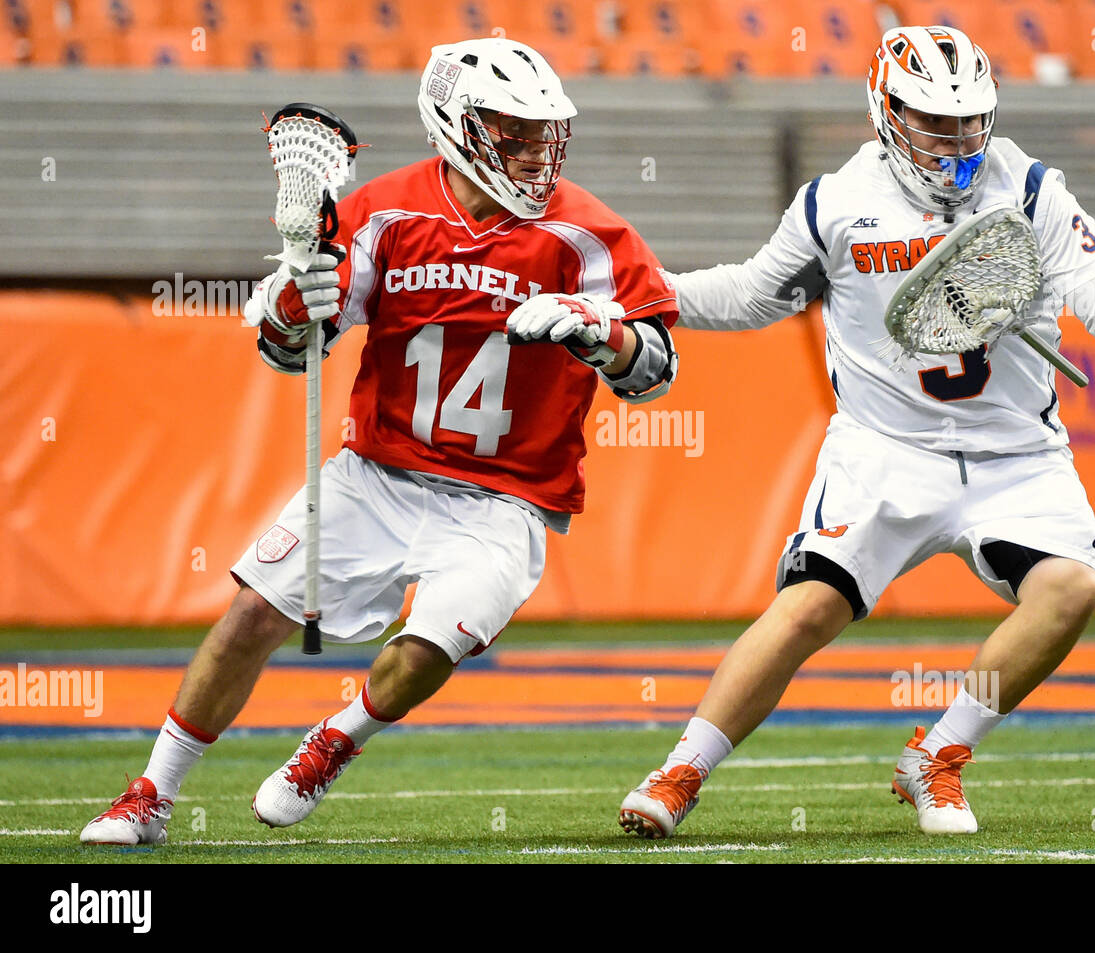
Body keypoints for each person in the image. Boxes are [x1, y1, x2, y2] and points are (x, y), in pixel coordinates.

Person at [80, 36, 678, 845]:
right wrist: (294, 313)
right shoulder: (389, 213)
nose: (536, 150)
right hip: (379, 473)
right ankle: (150, 792)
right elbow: (292, 351)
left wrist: (605, 337)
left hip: (507, 499)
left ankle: (337, 738)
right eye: (513, 130)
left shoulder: (592, 236)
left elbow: (657, 370)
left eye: (544, 132)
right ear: (456, 124)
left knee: (425, 651)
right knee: (253, 611)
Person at [618, 25, 1095, 838]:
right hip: (883, 448)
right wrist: (647, 296)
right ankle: (679, 771)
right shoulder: (837, 203)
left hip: (1015, 452)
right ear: (885, 109)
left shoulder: (1029, 187)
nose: (958, 139)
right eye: (935, 119)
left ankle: (938, 756)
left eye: (970, 121)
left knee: (1074, 586)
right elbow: (756, 294)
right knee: (808, 607)